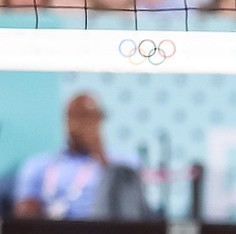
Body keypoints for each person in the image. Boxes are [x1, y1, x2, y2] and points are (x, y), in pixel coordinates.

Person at [13, 93, 147, 220]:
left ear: (99, 120)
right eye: (74, 117)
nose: (79, 124)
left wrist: (99, 154)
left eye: (87, 117)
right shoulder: (38, 165)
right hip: (51, 233)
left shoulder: (124, 164)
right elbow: (24, 215)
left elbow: (130, 211)